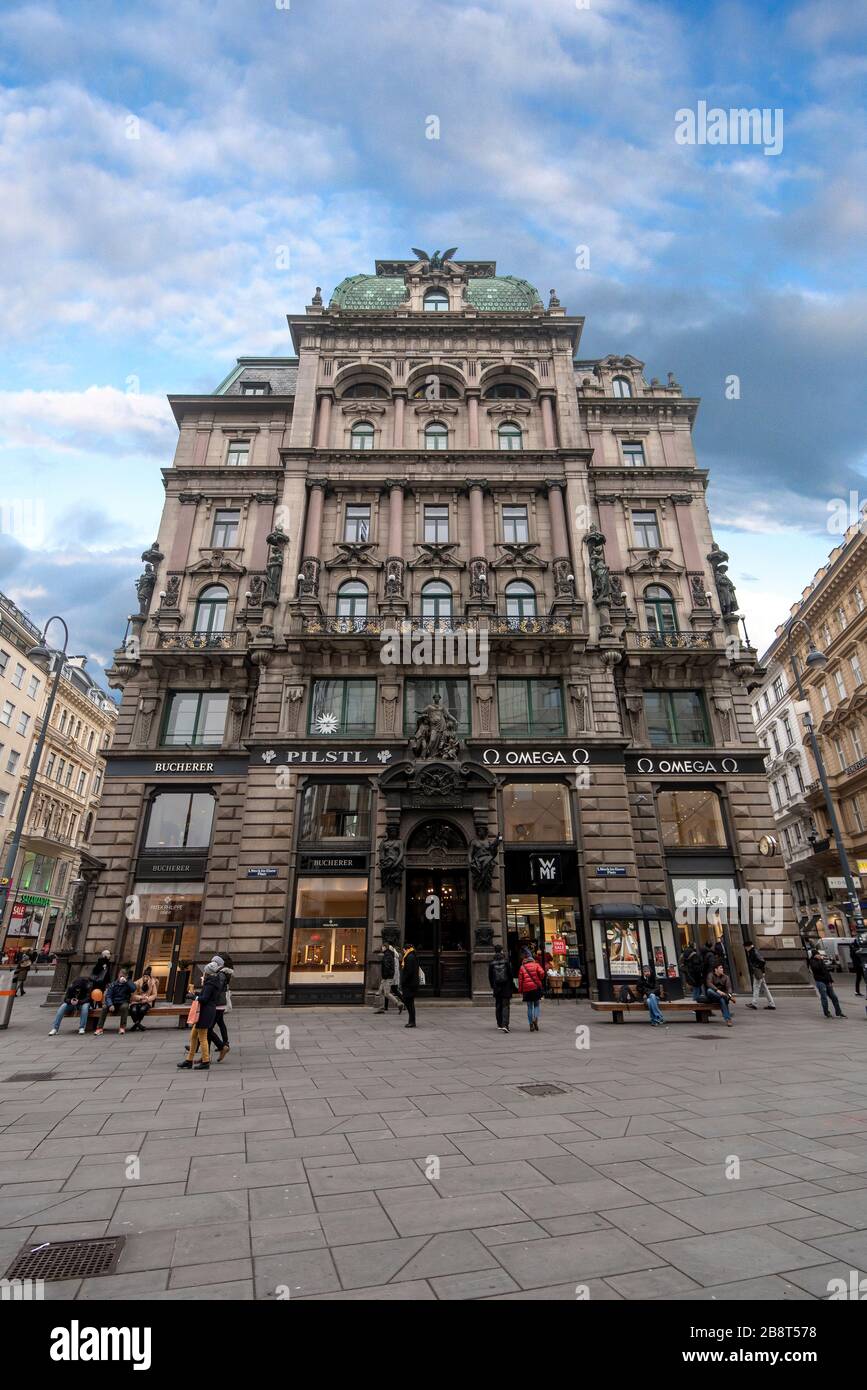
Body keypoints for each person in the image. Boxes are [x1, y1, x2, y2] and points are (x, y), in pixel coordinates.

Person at [178, 956, 224, 1069]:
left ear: (208, 972)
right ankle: (189, 1060)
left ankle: (205, 1061)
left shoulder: (210, 983)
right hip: (207, 1011)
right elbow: (205, 995)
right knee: (194, 1035)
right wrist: (196, 994)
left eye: (204, 972)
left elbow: (205, 999)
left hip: (206, 1012)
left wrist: (193, 996)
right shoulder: (213, 981)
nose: (203, 974)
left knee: (202, 1037)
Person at [208, 954, 233, 1062]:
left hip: (217, 1004)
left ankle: (222, 1046)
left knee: (207, 1029)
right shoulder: (223, 973)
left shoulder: (220, 974)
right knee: (212, 1026)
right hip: (219, 1003)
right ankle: (205, 1053)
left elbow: (217, 989)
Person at [809, 949, 846, 1019]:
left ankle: (839, 1012)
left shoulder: (821, 961)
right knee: (824, 998)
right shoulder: (812, 961)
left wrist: (830, 981)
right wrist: (820, 960)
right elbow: (817, 968)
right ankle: (827, 1013)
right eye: (818, 954)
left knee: (834, 997)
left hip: (827, 981)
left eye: (819, 954)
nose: (819, 955)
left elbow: (826, 972)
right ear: (814, 955)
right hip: (820, 981)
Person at [517, 948, 545, 1032]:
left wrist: (520, 990)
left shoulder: (522, 967)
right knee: (536, 1004)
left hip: (527, 989)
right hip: (536, 988)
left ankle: (530, 1024)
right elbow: (542, 973)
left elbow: (520, 980)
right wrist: (539, 978)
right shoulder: (536, 964)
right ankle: (535, 1018)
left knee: (529, 1007)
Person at [488, 944, 513, 1033]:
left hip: (497, 987)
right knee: (506, 1006)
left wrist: (493, 986)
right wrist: (511, 986)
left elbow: (490, 977)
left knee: (498, 1005)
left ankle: (499, 1024)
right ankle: (505, 1025)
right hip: (506, 987)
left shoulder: (491, 963)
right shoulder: (506, 962)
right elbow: (510, 974)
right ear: (501, 951)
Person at [745, 943, 776, 1011]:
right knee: (765, 988)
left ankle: (754, 1003)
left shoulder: (753, 952)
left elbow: (762, 961)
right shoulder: (753, 951)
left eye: (746, 947)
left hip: (758, 972)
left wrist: (756, 968)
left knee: (756, 987)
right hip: (760, 972)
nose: (745, 948)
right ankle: (772, 1004)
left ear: (749, 946)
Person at [705, 961, 736, 1027]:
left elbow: (729, 988)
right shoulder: (710, 975)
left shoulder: (726, 977)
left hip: (722, 997)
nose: (722, 969)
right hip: (713, 996)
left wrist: (729, 995)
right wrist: (718, 991)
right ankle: (726, 997)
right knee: (709, 990)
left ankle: (728, 1019)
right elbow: (709, 984)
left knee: (722, 999)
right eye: (720, 968)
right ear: (716, 969)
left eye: (722, 968)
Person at [375, 940, 401, 1014]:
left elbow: (387, 967)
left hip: (387, 977)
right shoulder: (389, 954)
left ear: (385, 947)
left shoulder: (387, 955)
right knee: (381, 991)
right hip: (387, 977)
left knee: (386, 993)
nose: (381, 948)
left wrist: (385, 977)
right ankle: (381, 1008)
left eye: (382, 947)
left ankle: (398, 1004)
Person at [129, 966, 158, 1031]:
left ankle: (136, 1025)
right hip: (136, 1001)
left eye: (147, 977)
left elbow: (154, 994)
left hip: (147, 1002)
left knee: (142, 1009)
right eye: (144, 976)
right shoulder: (137, 983)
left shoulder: (152, 983)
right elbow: (133, 995)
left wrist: (147, 998)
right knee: (133, 1010)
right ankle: (139, 1025)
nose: (145, 978)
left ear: (149, 977)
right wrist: (141, 997)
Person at [398, 942, 420, 1029]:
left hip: (409, 984)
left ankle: (412, 1021)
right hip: (411, 983)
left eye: (403, 950)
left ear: (406, 949)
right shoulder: (412, 955)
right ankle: (411, 1021)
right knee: (410, 1002)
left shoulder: (409, 957)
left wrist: (403, 980)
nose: (403, 952)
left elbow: (409, 971)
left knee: (409, 1002)